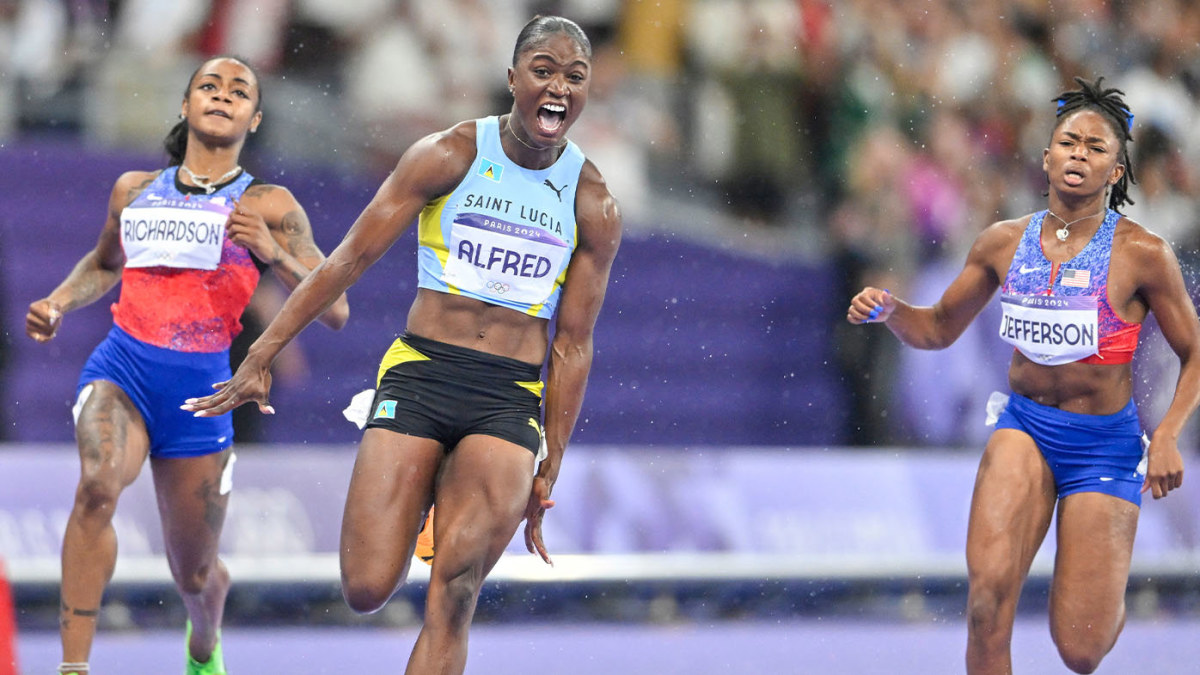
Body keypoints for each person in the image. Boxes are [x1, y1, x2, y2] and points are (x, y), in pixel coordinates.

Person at [183, 15, 621, 675]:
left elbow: (574, 345)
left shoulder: (592, 203)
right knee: (365, 585)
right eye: (543, 70)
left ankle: (464, 491)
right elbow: (344, 263)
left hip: (507, 397)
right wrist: (259, 354)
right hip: (421, 375)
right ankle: (432, 487)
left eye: (575, 76)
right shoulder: (448, 155)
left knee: (456, 590)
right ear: (511, 79)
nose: (559, 86)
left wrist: (549, 464)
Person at [847, 76, 1198, 675]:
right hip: (1025, 427)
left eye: (1096, 147)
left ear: (1116, 172)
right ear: (1046, 156)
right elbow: (937, 329)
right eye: (1068, 142)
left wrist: (1165, 433)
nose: (1078, 155)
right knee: (986, 602)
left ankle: (1105, 588)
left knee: (1081, 649)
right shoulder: (1001, 243)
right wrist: (892, 312)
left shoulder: (1144, 254)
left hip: (1105, 447)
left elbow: (1196, 351)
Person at [25, 56, 349, 675]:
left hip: (202, 393)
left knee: (195, 571)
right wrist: (58, 302)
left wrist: (274, 252)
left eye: (239, 92)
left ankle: (204, 639)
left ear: (253, 119)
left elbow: (335, 308)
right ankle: (73, 667)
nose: (222, 97)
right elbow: (103, 263)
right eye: (209, 86)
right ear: (184, 105)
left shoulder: (270, 203)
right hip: (122, 368)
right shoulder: (135, 189)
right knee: (96, 488)